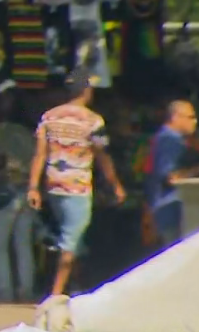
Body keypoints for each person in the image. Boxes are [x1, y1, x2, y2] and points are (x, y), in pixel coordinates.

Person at [27, 68, 125, 297]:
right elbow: (102, 155)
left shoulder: (49, 117)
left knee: (71, 235)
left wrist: (33, 186)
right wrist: (115, 184)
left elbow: (40, 154)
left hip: (54, 184)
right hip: (78, 186)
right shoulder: (93, 121)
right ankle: (57, 293)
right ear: (86, 90)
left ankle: (76, 286)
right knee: (71, 240)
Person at [0, 81, 37, 302]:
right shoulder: (30, 131)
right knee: (23, 243)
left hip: (7, 190)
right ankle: (26, 290)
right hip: (27, 189)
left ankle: (5, 292)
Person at [145, 100, 199, 249]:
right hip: (169, 209)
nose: (195, 122)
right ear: (176, 117)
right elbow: (171, 177)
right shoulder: (170, 140)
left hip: (165, 209)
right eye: (191, 117)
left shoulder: (163, 138)